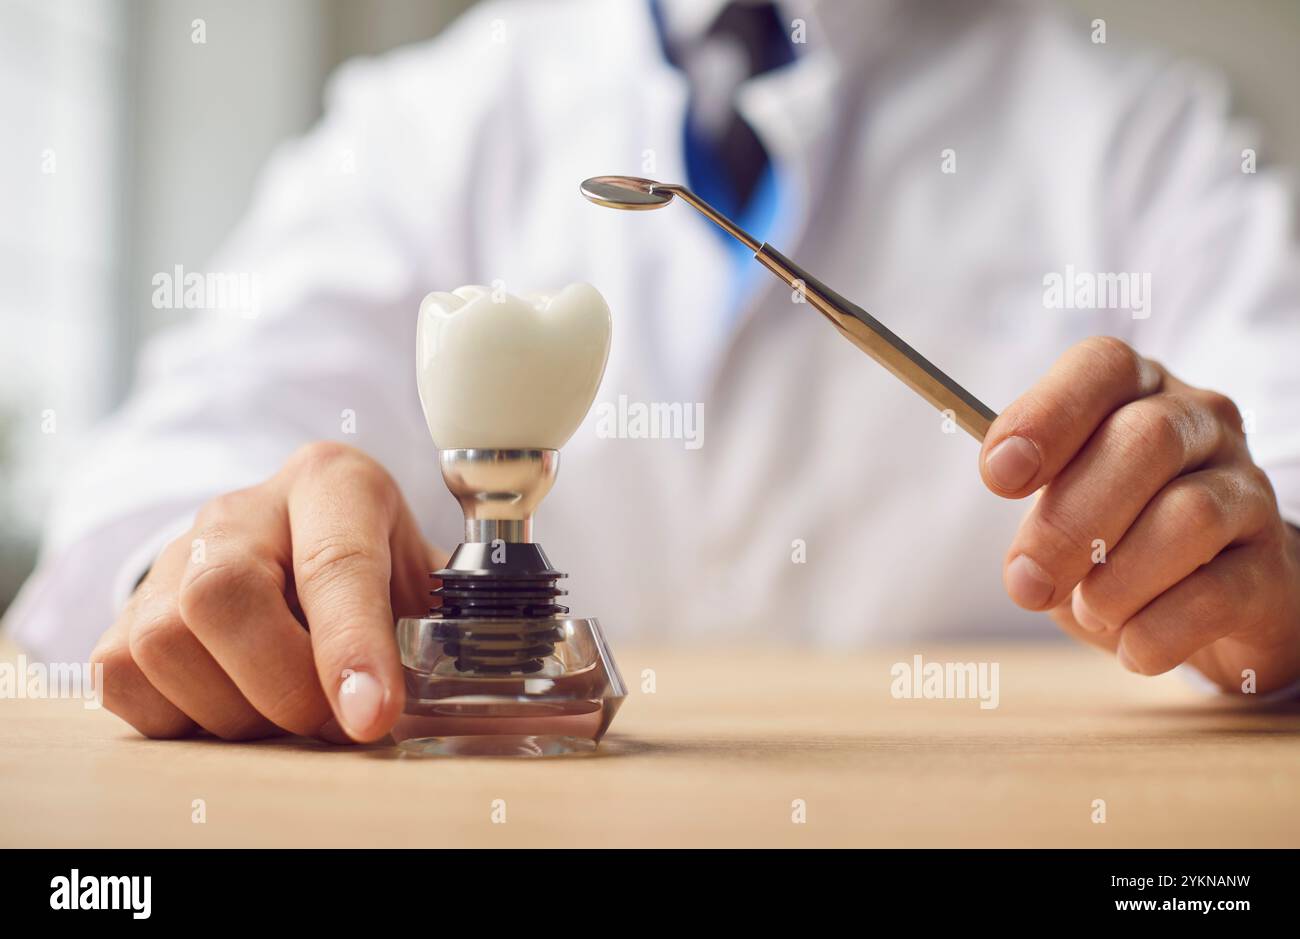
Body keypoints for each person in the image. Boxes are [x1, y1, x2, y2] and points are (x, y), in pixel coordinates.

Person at [7, 0, 1300, 744]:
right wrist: (215, 566)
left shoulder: (1149, 134)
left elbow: (1281, 484)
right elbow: (145, 495)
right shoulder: (426, 122)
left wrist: (1258, 579)